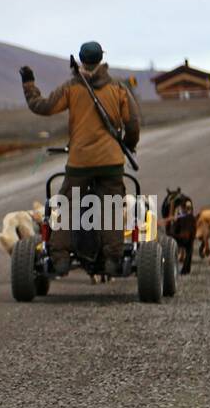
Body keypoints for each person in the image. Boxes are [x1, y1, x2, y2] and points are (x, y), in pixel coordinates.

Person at [21, 42, 140, 275]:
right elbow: (132, 124)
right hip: (111, 162)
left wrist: (29, 84)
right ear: (102, 59)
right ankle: (112, 259)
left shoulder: (71, 88)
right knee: (112, 207)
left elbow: (42, 106)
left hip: (80, 162)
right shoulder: (118, 88)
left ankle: (60, 258)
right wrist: (128, 145)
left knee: (67, 205)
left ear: (80, 61)